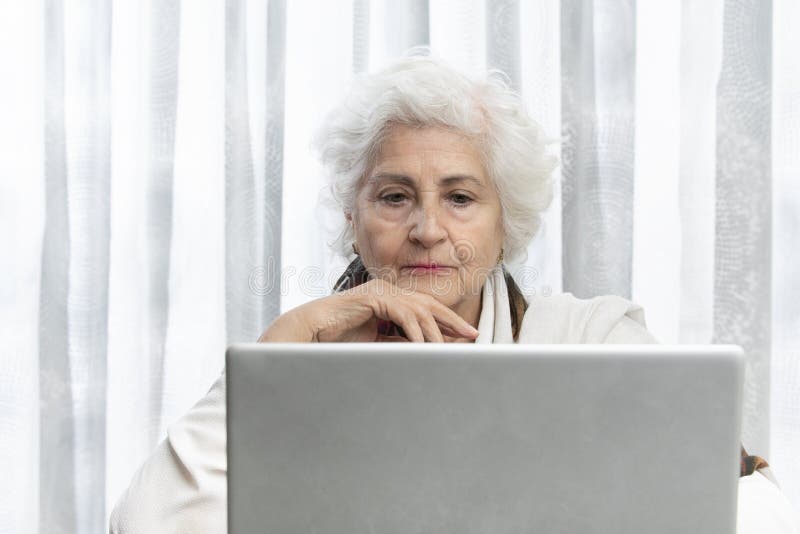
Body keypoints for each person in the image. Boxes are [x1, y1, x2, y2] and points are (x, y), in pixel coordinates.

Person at [109, 53, 798, 533]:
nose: (427, 229)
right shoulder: (295, 363)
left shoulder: (591, 339)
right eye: (394, 196)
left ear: (507, 225)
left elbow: (755, 512)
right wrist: (292, 336)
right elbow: (147, 526)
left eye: (461, 197)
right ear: (354, 220)